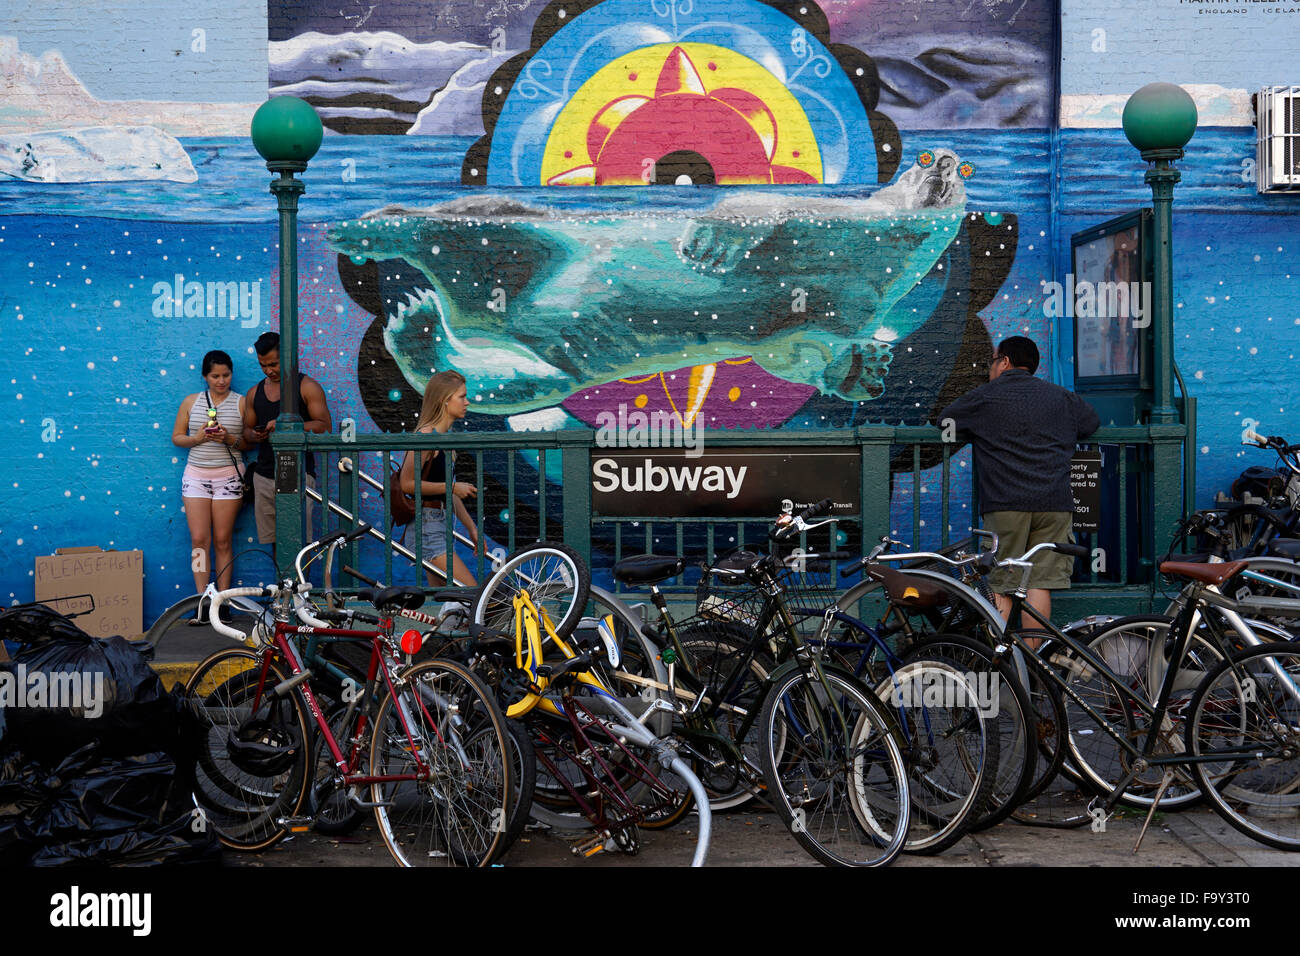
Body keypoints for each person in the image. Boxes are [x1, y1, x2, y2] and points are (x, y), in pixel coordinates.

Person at [938, 335, 1100, 626]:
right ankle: (1035, 660)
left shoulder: (985, 396)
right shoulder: (1060, 396)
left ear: (1005, 362)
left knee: (1000, 582)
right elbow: (1090, 423)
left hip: (1005, 503)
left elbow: (946, 421)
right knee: (1039, 582)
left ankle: (1005, 663)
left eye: (992, 362)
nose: (990, 369)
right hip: (1054, 503)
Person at [172, 349, 248, 622]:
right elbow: (177, 438)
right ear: (205, 376)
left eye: (226, 375)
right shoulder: (191, 402)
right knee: (198, 541)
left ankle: (222, 601)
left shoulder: (241, 402)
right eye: (215, 375)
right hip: (195, 476)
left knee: (223, 540)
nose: (221, 380)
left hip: (229, 476)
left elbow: (249, 443)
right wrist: (198, 438)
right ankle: (203, 599)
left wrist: (228, 438)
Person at [242, 332, 332, 558]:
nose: (268, 370)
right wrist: (256, 435)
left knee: (302, 541)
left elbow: (325, 427)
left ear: (287, 357)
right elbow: (245, 432)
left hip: (299, 474)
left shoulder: (307, 386)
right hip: (263, 475)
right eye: (263, 365)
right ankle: (282, 590)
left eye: (273, 364)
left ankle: (301, 592)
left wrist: (287, 427)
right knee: (274, 542)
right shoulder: (254, 393)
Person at [399, 370, 479, 588]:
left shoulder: (444, 439)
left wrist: (471, 527)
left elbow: (445, 492)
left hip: (438, 523)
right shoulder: (426, 435)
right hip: (426, 527)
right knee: (473, 595)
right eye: (462, 397)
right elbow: (406, 483)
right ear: (445, 401)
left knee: (449, 603)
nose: (467, 402)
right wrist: (452, 486)